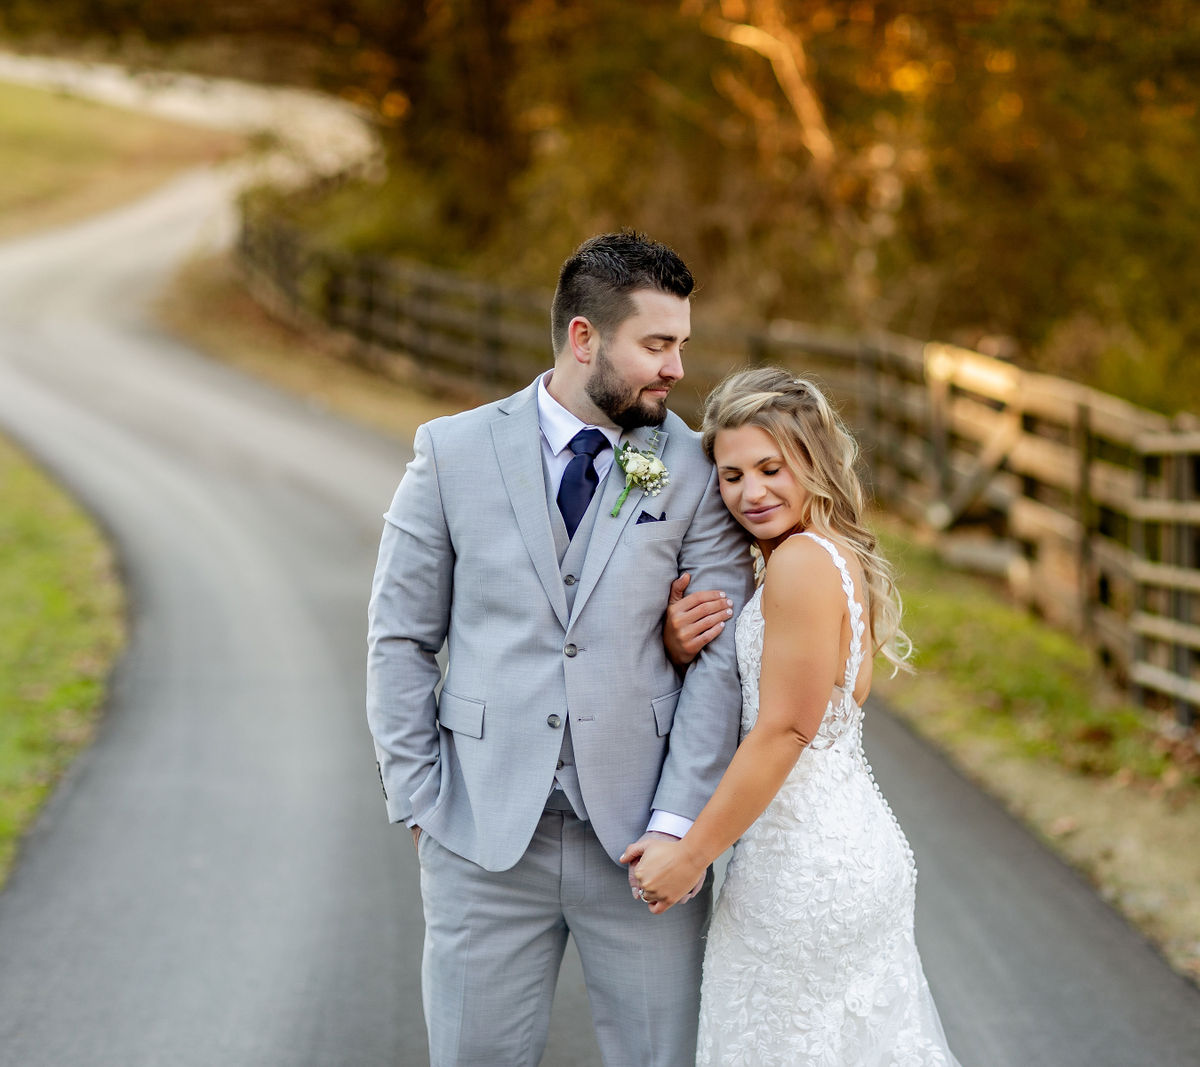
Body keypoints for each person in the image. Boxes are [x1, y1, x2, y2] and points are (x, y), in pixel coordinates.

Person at [365, 230, 755, 1066]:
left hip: (645, 843)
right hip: (480, 835)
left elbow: (723, 657)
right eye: (657, 344)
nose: (677, 369)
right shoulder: (451, 451)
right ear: (585, 338)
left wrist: (681, 824)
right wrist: (420, 798)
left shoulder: (693, 466)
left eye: (681, 344)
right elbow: (399, 636)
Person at [621, 367, 962, 1066]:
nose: (751, 492)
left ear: (814, 460)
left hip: (802, 874)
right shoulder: (833, 557)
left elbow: (786, 728)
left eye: (771, 467)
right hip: (845, 850)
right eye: (731, 474)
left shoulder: (801, 563)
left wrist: (691, 854)